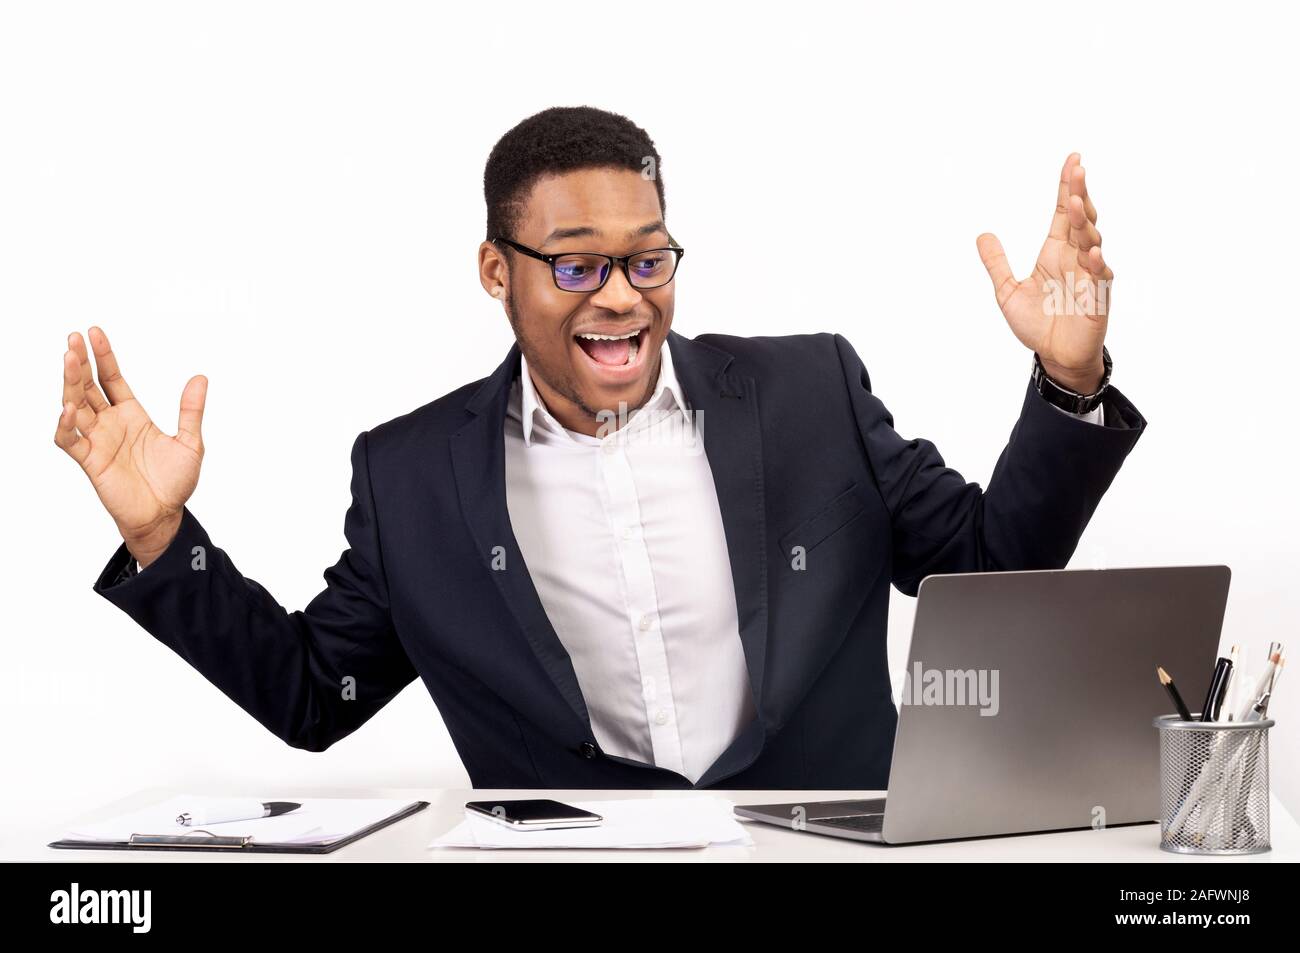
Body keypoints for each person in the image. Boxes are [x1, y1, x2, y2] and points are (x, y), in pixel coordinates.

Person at [54, 106, 1145, 790]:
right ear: (497, 270)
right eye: (575, 265)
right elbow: (313, 696)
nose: (622, 297)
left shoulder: (809, 389)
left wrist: (1068, 381)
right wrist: (160, 535)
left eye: (649, 260)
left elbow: (989, 569)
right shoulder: (413, 475)